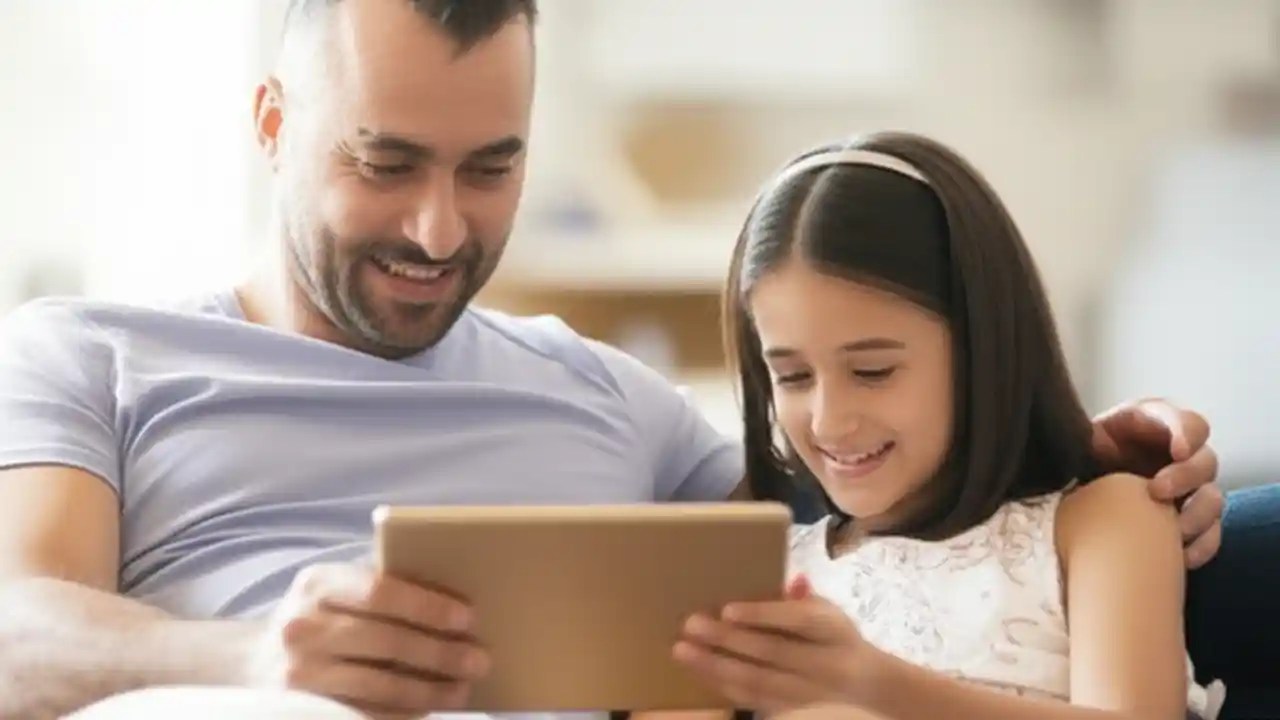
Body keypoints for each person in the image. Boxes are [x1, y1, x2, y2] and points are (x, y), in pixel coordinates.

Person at [0, 1, 1228, 719]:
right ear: (273, 126)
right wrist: (248, 657)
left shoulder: (602, 396)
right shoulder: (96, 355)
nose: (440, 231)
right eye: (385, 164)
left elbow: (860, 522)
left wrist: (1062, 446)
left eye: (492, 166)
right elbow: (14, 632)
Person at [655, 132, 1226, 720]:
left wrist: (876, 687)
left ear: (984, 350)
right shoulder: (762, 580)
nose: (830, 419)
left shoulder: (1101, 521)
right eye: (794, 377)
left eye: (873, 371)